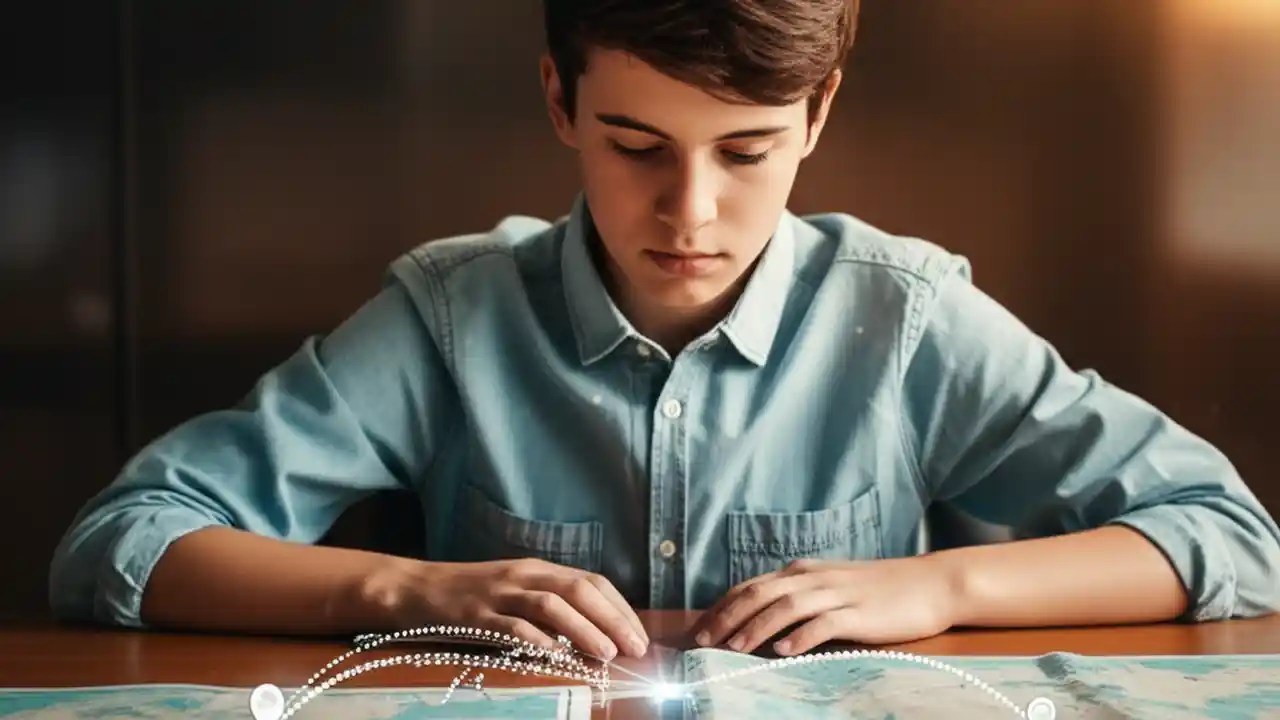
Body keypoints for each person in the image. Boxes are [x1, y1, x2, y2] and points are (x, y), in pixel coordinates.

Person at [51, 0, 1279, 664]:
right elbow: (122, 544)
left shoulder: (900, 316)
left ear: (816, 114)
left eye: (744, 152)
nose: (688, 214)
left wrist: (938, 587)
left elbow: (1227, 535)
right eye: (636, 147)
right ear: (558, 99)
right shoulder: (448, 315)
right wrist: (411, 587)